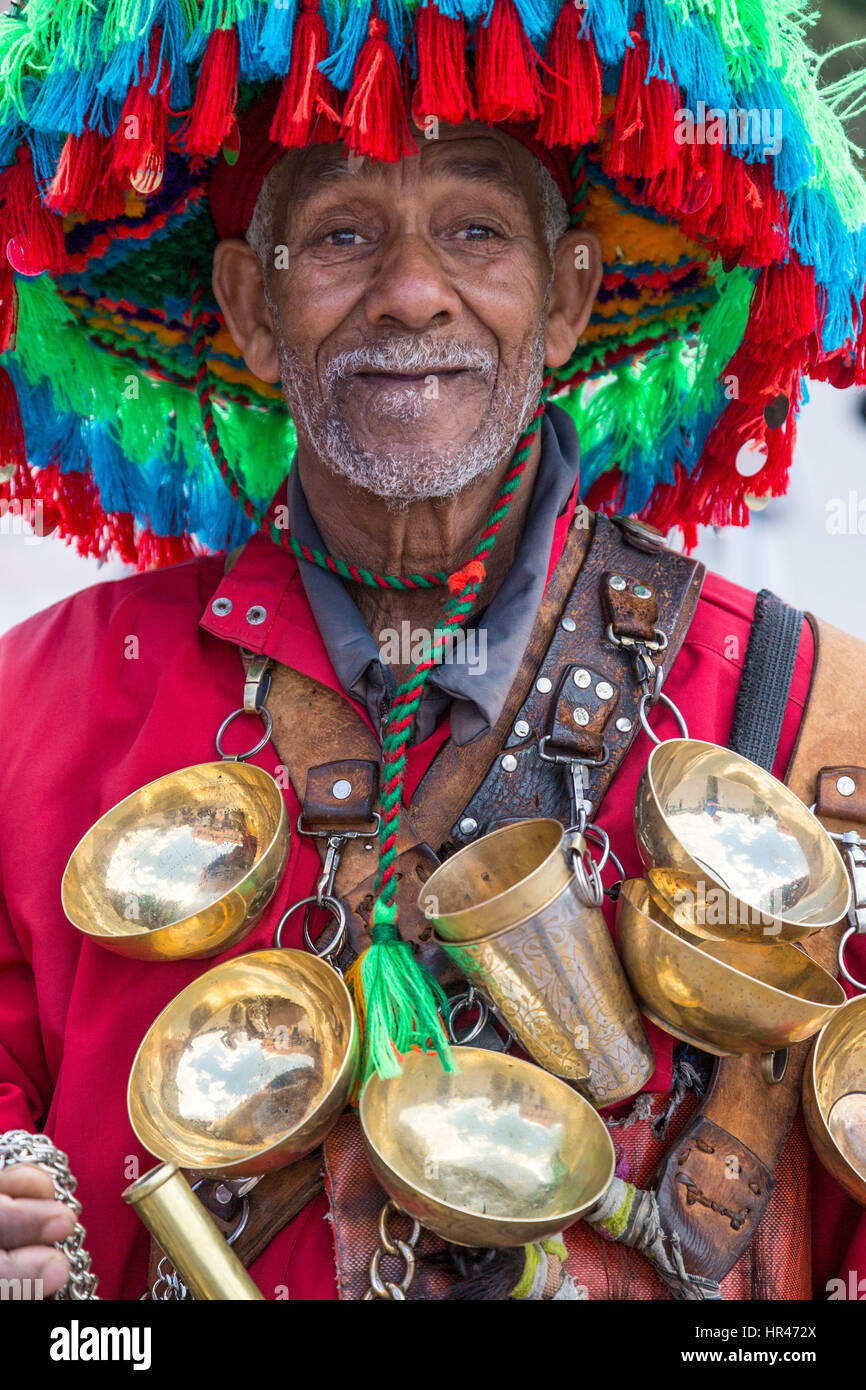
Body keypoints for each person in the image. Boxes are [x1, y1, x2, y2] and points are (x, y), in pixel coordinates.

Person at [0, 0, 865, 1302]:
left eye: (473, 231)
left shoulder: (808, 714)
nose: (411, 295)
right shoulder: (35, 707)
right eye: (342, 235)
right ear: (249, 304)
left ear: (568, 295)